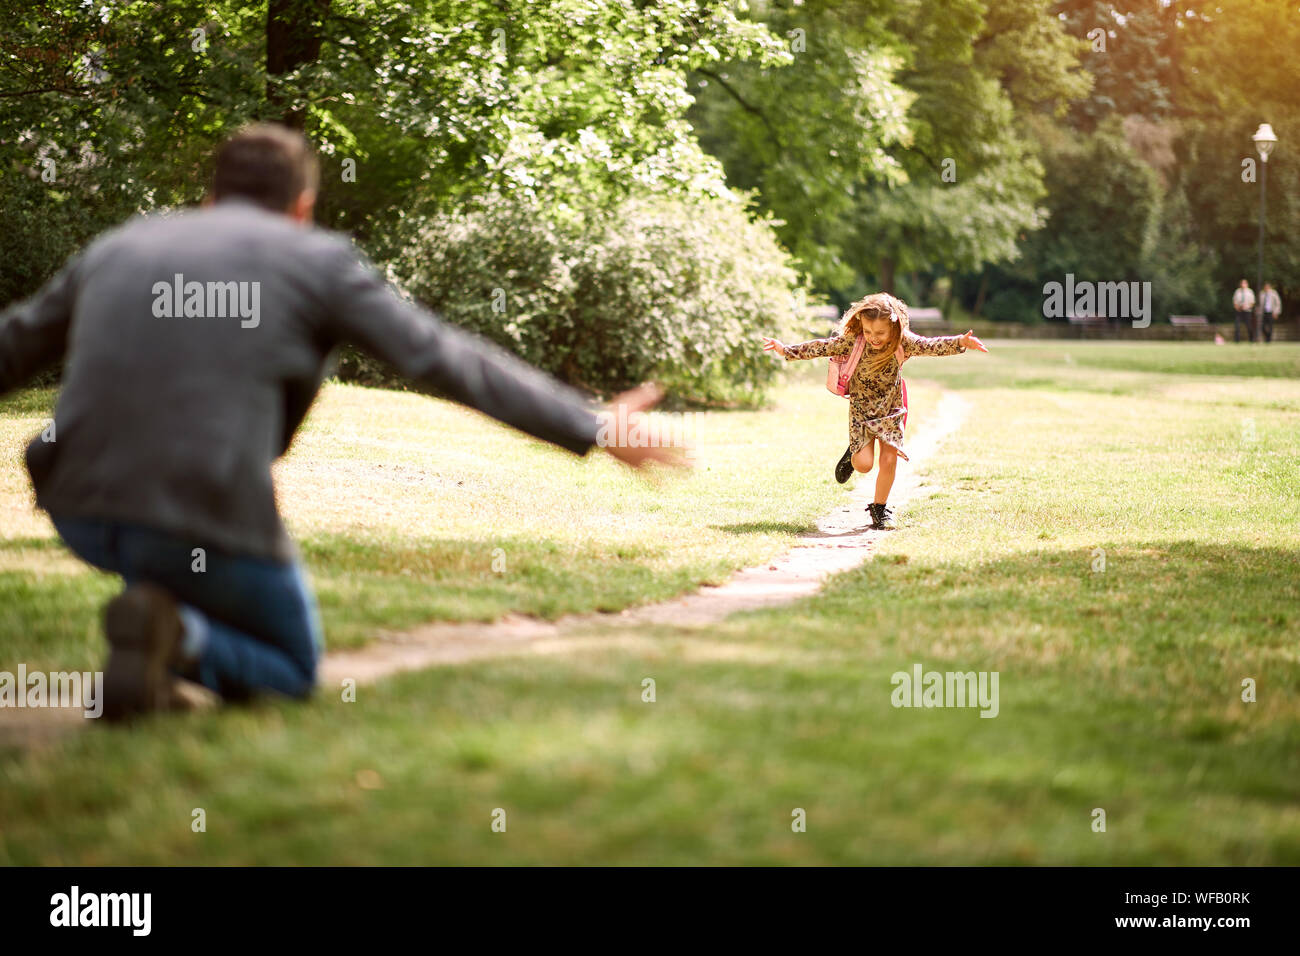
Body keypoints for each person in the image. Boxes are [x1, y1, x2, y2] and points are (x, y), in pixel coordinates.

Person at [0, 124, 681, 722]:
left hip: (81, 508)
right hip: (201, 510)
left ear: (210, 196)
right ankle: (180, 641)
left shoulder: (121, 246)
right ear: (302, 208)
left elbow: (16, 345)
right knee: (290, 669)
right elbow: (442, 356)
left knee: (164, 560)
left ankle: (152, 657)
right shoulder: (315, 260)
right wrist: (592, 425)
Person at [760, 293, 986, 530]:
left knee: (888, 459)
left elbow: (929, 345)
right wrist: (787, 350)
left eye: (880, 333)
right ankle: (853, 453)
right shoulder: (854, 341)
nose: (873, 338)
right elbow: (822, 346)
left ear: (893, 326)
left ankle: (880, 508)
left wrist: (961, 341)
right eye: (868, 332)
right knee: (864, 465)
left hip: (891, 408)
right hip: (861, 411)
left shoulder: (902, 341)